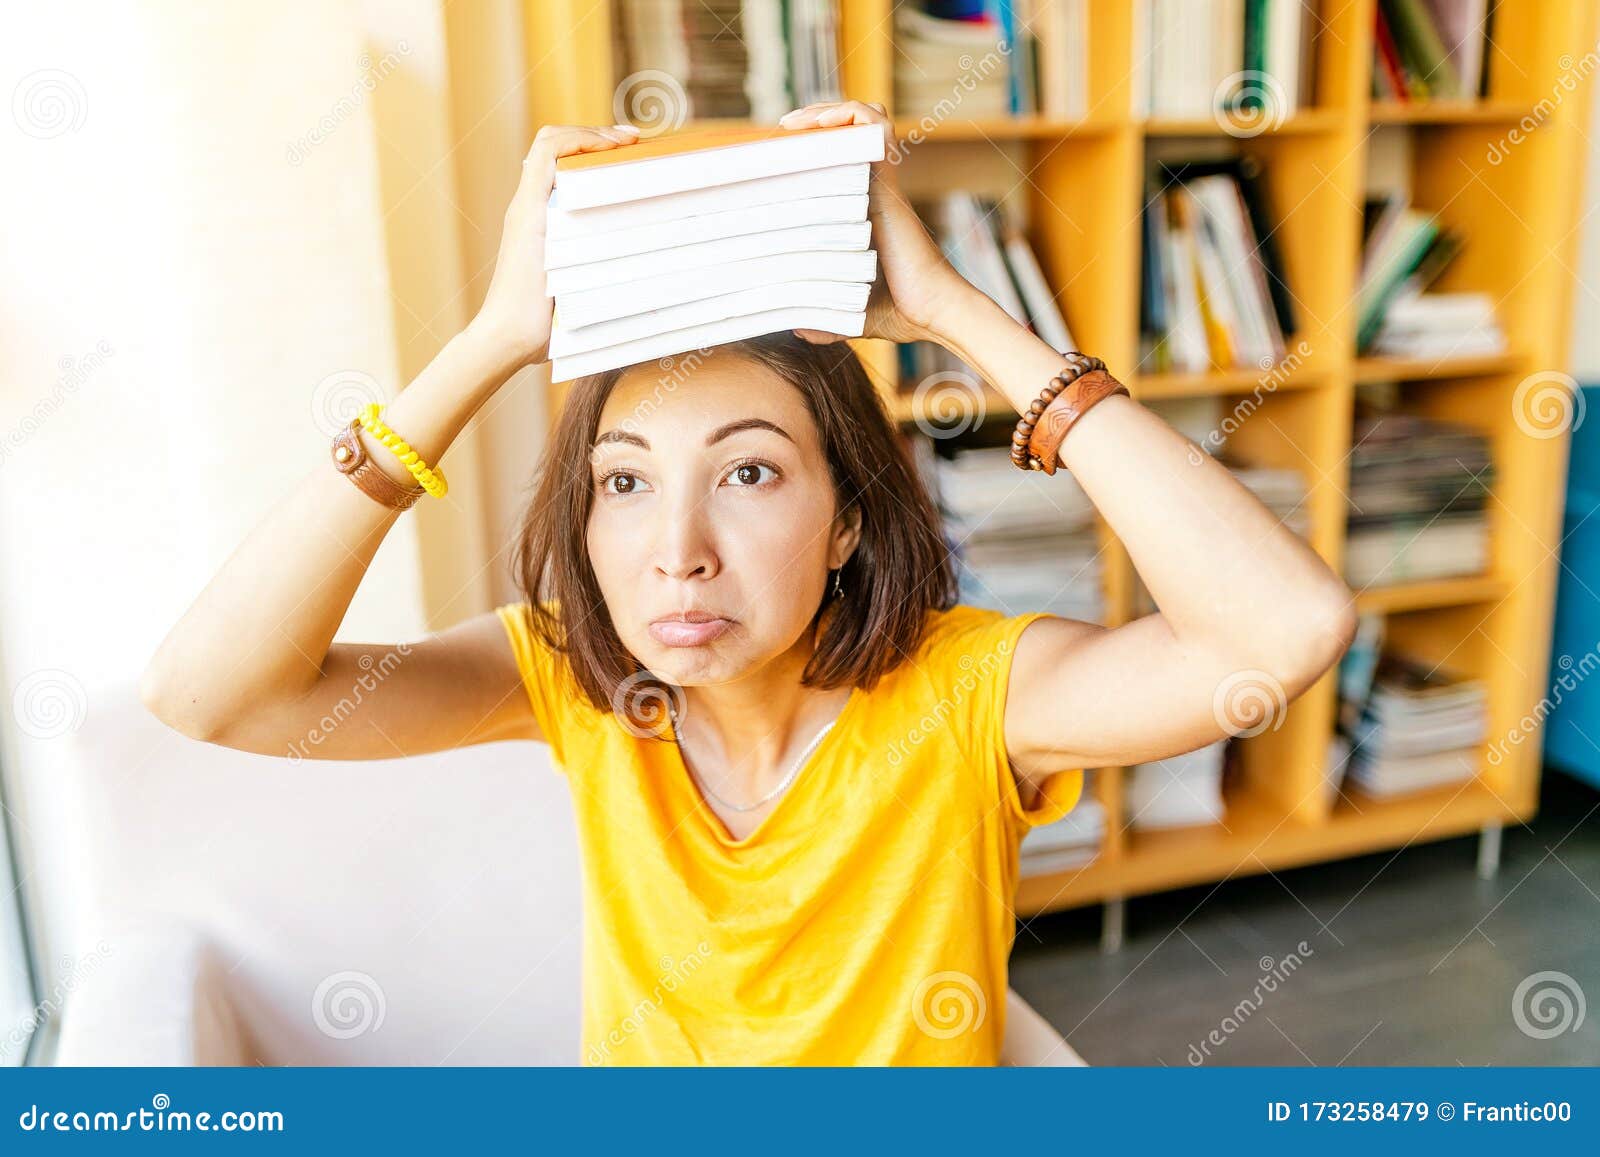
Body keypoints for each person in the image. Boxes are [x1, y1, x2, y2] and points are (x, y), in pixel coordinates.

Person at [141, 101, 1356, 1065]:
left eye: (750, 472)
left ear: (846, 522)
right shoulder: (573, 677)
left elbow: (1286, 629)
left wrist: (953, 310)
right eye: (624, 481)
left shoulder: (971, 695)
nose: (677, 548)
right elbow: (212, 695)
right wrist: (489, 343)